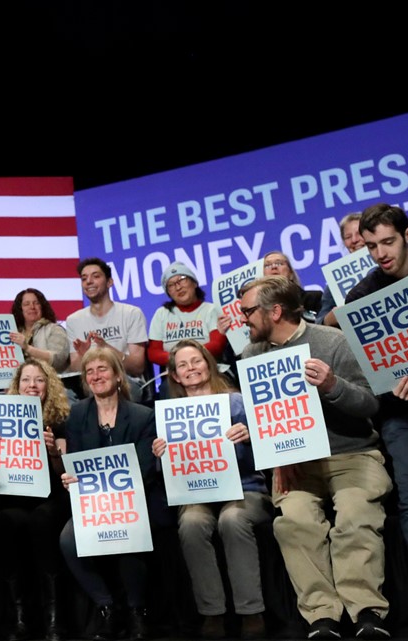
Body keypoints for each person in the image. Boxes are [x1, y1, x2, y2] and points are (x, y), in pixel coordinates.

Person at [237, 276, 390, 640]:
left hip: (351, 453)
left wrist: (333, 385)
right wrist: (260, 442)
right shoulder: (250, 356)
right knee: (294, 521)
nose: (243, 319)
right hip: (295, 464)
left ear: (274, 311)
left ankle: (367, 611)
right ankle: (323, 616)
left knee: (355, 513)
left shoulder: (332, 342)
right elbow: (263, 418)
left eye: (248, 311)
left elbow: (370, 403)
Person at [150, 341, 270, 640]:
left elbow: (269, 450)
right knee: (191, 524)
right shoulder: (168, 414)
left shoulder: (237, 402)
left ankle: (251, 612)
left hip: (244, 488)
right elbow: (165, 474)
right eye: (183, 365)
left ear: (208, 364)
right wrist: (160, 454)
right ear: (175, 376)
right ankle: (212, 613)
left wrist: (250, 436)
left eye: (196, 361)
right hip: (197, 494)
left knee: (232, 520)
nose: (191, 369)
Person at [58, 347, 161, 641]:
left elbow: (143, 469)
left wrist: (115, 495)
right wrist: (70, 479)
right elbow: (76, 461)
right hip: (92, 503)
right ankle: (107, 607)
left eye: (102, 369)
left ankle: (136, 611)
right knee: (68, 538)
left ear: (117, 375)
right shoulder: (77, 415)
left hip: (133, 499)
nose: (95, 376)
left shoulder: (142, 416)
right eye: (90, 371)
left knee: (128, 531)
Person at [0, 359, 70, 641]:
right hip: (15, 499)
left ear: (49, 386)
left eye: (39, 380)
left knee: (41, 522)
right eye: (26, 380)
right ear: (17, 386)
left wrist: (55, 452)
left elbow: (65, 476)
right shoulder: (1, 420)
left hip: (51, 498)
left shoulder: (60, 420)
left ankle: (54, 618)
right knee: (2, 522)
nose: (32, 385)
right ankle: (20, 616)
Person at [345, 203, 408, 561]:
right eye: (372, 246)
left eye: (388, 242)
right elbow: (362, 369)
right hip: (399, 413)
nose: (380, 254)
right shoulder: (361, 297)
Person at [66, 258, 150, 402]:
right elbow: (75, 368)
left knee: (103, 387)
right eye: (84, 278)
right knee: (63, 396)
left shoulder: (131, 313)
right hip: (90, 381)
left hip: (126, 380)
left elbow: (137, 366)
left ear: (109, 282)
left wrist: (106, 348)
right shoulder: (73, 320)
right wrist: (83, 356)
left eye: (96, 276)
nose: (89, 281)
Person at [145, 262, 226, 398]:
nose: (178, 287)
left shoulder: (211, 309)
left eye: (182, 279)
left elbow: (217, 345)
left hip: (209, 371)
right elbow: (153, 352)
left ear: (194, 283)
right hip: (176, 375)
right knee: (166, 388)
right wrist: (179, 362)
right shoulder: (162, 314)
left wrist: (191, 359)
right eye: (171, 285)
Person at [318, 212, 365, 327]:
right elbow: (319, 323)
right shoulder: (335, 282)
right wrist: (330, 319)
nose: (354, 240)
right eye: (348, 237)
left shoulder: (390, 264)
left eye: (359, 233)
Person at [7, 288, 69, 373]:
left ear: (42, 307)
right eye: (26, 304)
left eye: (36, 303)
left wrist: (28, 348)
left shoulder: (55, 329)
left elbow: (58, 360)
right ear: (20, 309)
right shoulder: (13, 334)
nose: (32, 307)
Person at [261, 251, 322, 323]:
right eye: (267, 265)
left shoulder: (313, 298)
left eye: (279, 263)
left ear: (291, 274)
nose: (274, 267)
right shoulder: (258, 307)